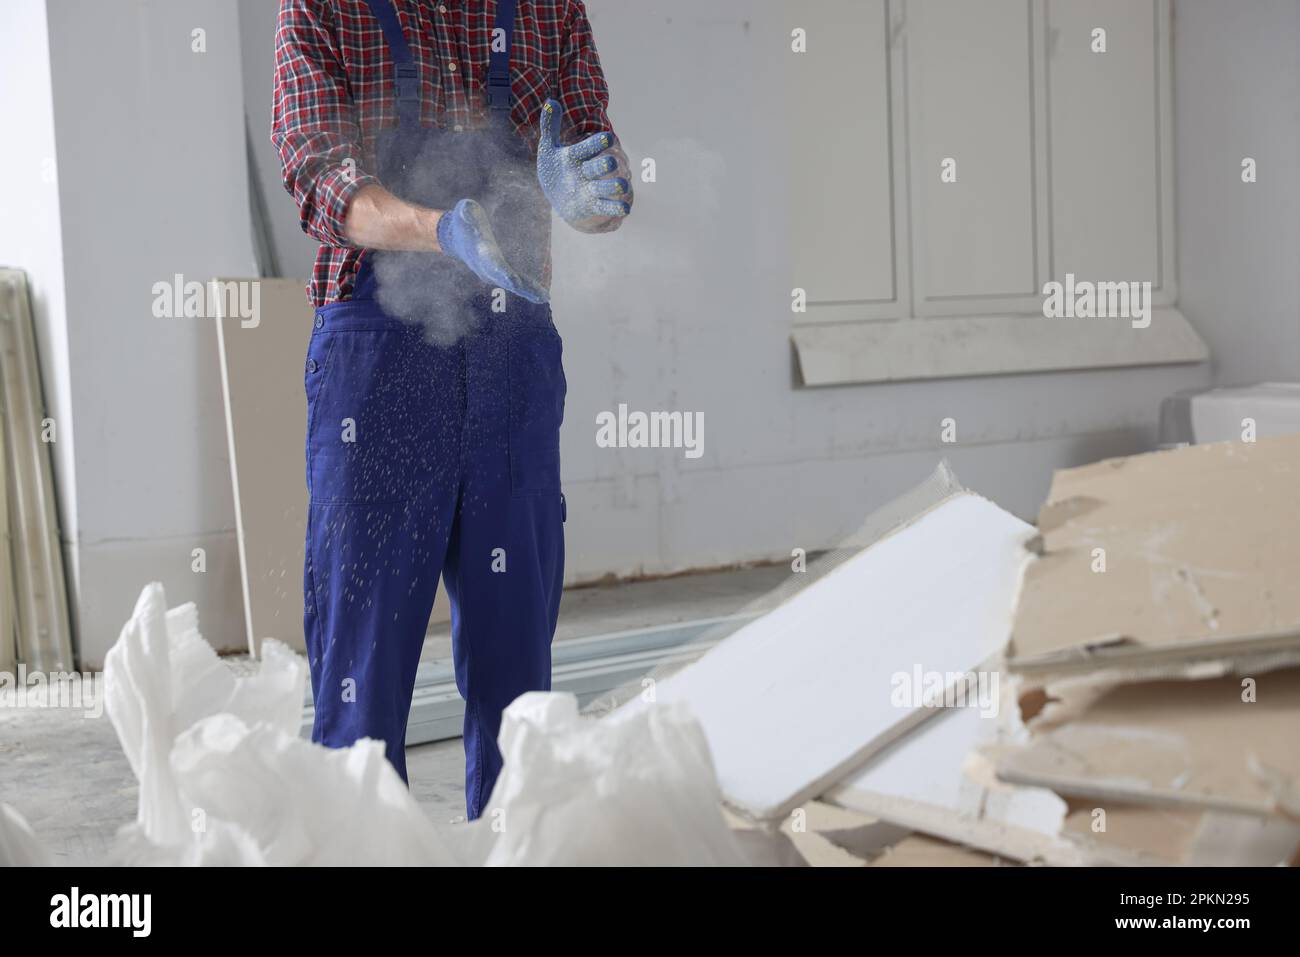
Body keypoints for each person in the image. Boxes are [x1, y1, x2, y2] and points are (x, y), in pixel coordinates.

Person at [272, 0, 631, 818]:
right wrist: (439, 229)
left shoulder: (549, 10)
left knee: (519, 693)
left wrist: (590, 200)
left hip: (513, 358)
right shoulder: (321, 8)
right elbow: (317, 178)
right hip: (378, 358)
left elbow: (597, 165)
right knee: (361, 681)